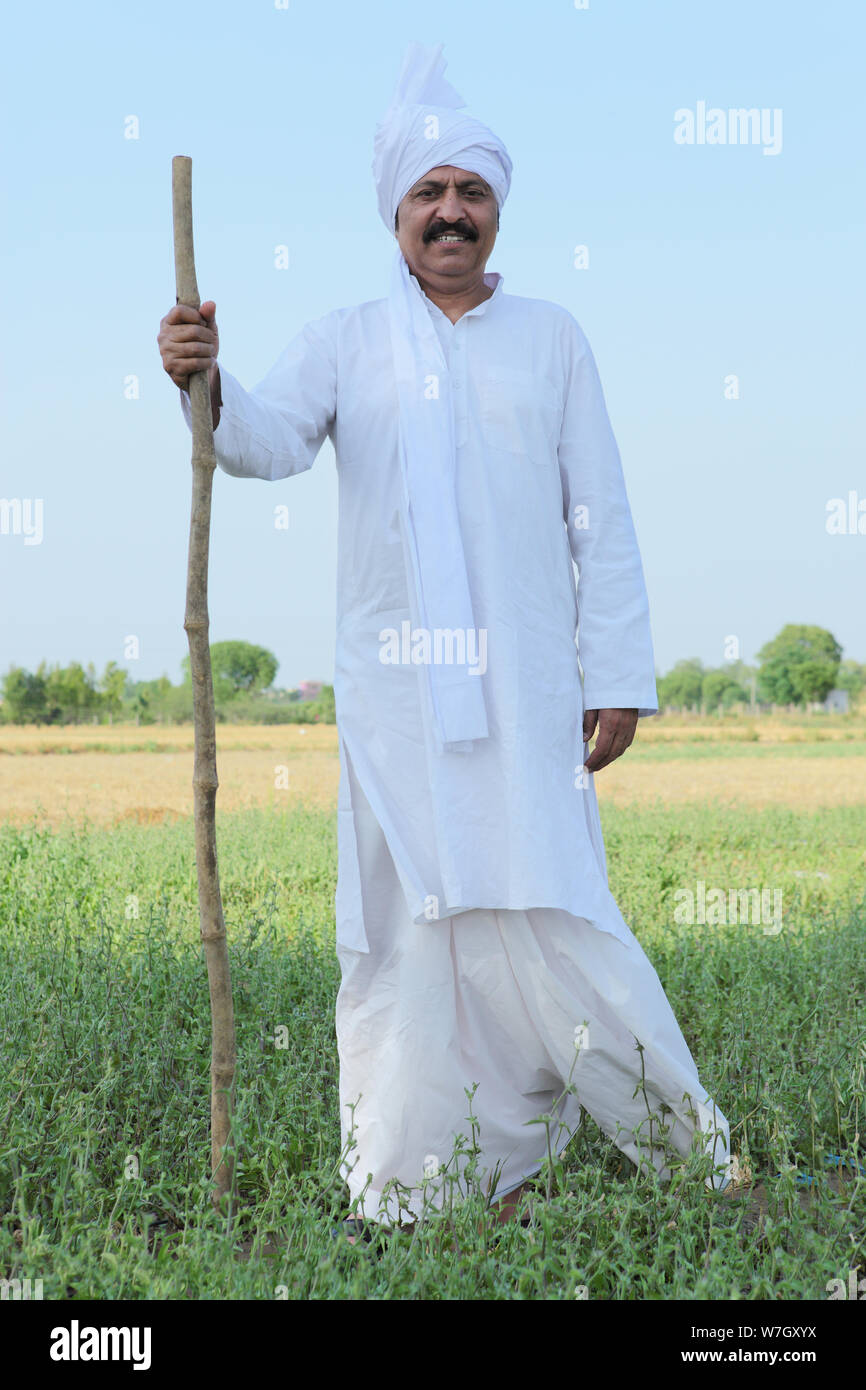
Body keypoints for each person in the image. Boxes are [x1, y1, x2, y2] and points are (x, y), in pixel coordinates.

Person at [158, 41, 732, 1244]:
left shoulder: (552, 337)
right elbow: (260, 442)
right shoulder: (345, 338)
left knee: (562, 919)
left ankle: (692, 1158)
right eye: (428, 194)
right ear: (397, 214)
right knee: (411, 944)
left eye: (469, 191)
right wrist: (200, 383)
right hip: (395, 715)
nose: (451, 213)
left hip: (528, 700)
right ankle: (424, 1186)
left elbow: (602, 512)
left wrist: (617, 671)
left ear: (496, 207)